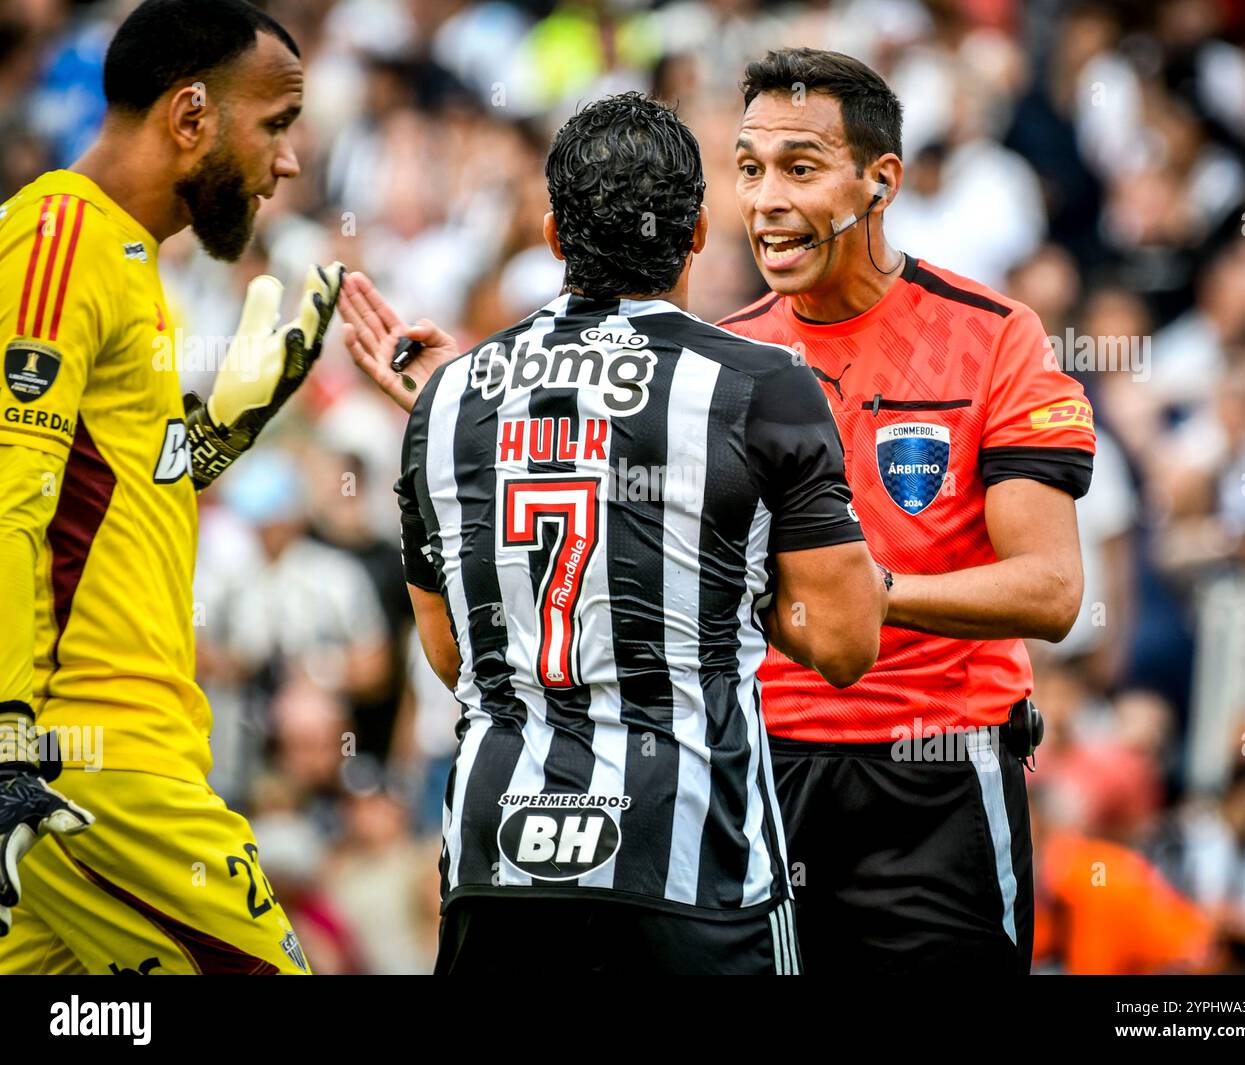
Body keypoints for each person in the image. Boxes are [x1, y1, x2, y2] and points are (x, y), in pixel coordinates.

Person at [339, 92, 885, 974]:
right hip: (691, 867)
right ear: (700, 232)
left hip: (496, 865)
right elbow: (849, 642)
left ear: (552, 235)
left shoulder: (444, 399)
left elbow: (451, 656)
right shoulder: (763, 384)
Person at [719, 49, 1096, 974]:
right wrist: (453, 405)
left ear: (880, 179)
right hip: (762, 771)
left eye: (800, 168)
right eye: (749, 168)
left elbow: (1051, 591)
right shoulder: (721, 357)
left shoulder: (993, 336)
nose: (766, 197)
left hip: (940, 777)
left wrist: (871, 593)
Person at [0, 0, 343, 974]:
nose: (287, 162)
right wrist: (7, 740)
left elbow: (96, 503)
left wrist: (223, 429)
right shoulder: (60, 236)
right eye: (275, 125)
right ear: (191, 115)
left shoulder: (125, 261)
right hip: (96, 772)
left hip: (98, 764)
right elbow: (7, 496)